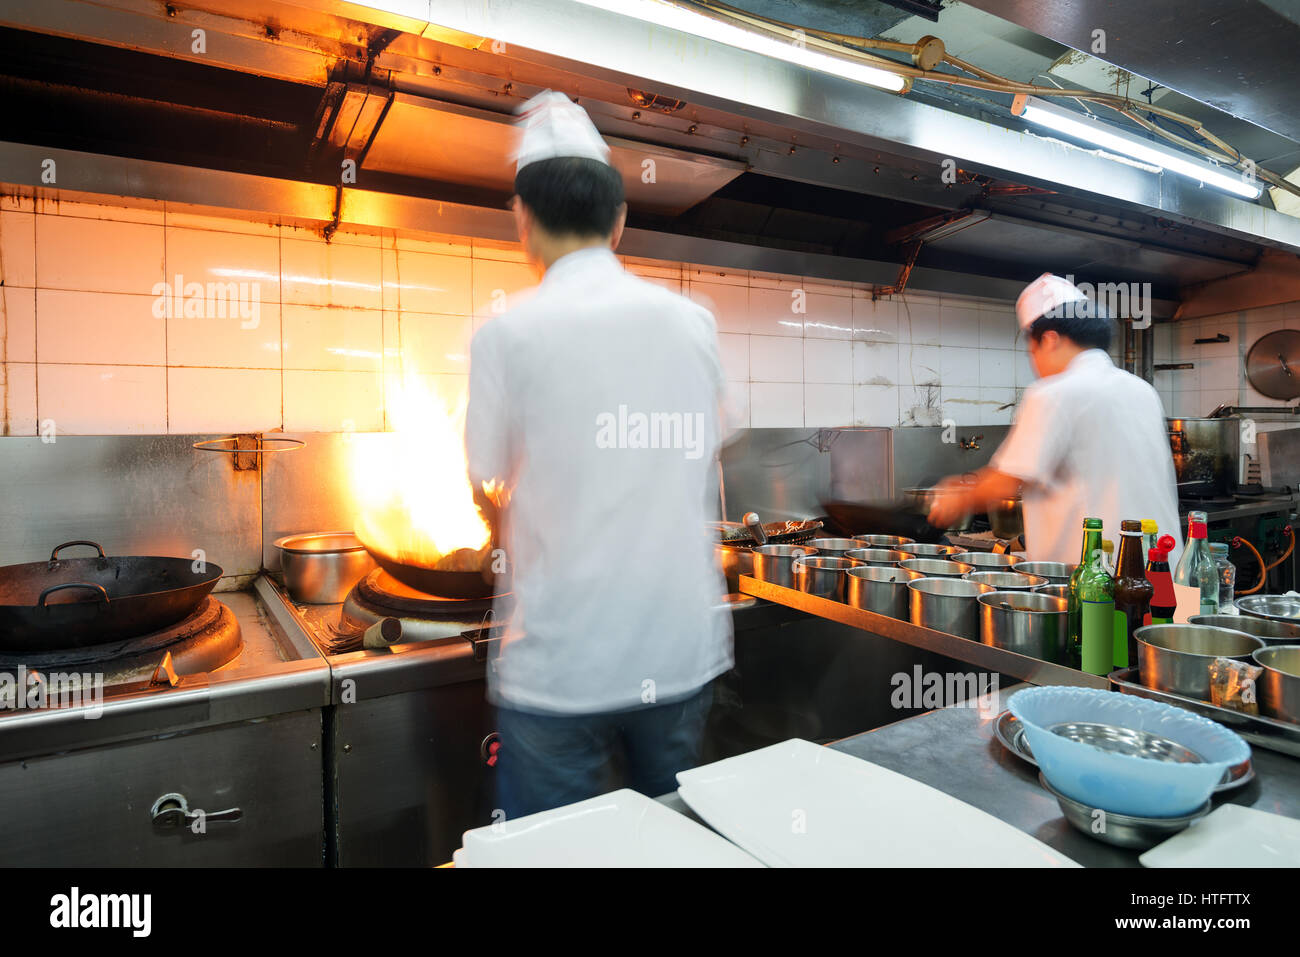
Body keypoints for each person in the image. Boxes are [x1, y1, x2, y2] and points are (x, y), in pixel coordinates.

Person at [465, 91, 732, 820]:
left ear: (523, 217)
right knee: (677, 844)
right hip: (677, 649)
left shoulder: (505, 334)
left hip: (562, 666)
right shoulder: (691, 323)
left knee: (552, 855)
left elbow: (485, 472)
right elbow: (710, 444)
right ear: (618, 221)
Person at [927, 273, 1182, 564]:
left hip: (1097, 584)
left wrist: (954, 495)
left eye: (1031, 352)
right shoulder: (1142, 390)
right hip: (1162, 577)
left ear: (1049, 340)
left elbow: (1003, 484)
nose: (1034, 363)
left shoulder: (1054, 392)